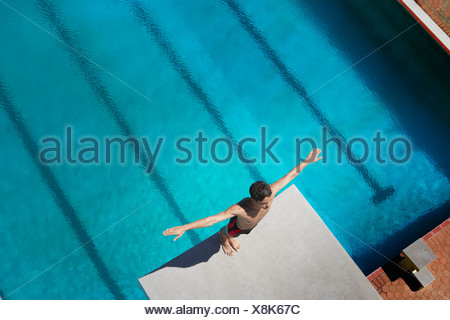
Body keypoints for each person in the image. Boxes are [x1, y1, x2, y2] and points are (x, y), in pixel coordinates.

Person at [163, 148, 322, 256]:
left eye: (269, 200)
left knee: (245, 231)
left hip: (251, 225)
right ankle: (224, 238)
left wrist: (306, 161)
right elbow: (212, 220)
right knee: (229, 231)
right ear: (254, 200)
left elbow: (290, 176)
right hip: (238, 226)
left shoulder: (270, 192)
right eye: (263, 203)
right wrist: (185, 227)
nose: (267, 205)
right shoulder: (240, 209)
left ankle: (230, 237)